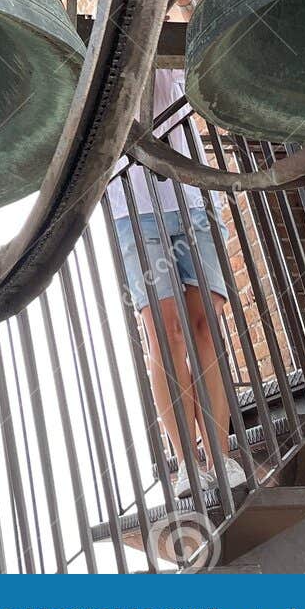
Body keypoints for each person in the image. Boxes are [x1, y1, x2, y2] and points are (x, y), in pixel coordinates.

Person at [108, 69, 247, 501]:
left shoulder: (171, 49)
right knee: (165, 334)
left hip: (195, 198)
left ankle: (218, 456)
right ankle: (187, 461)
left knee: (206, 326)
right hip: (133, 206)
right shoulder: (96, 56)